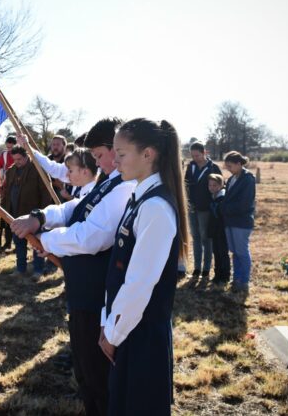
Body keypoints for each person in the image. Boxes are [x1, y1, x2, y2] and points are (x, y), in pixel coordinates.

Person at [11, 118, 135, 416]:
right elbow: (73, 208)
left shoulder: (124, 185)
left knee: (97, 376)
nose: (102, 162)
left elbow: (92, 237)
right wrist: (40, 217)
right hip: (82, 291)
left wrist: (47, 240)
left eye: (102, 155)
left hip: (97, 295)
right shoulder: (107, 180)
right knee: (85, 373)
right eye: (99, 156)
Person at [99, 118, 188, 415]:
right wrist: (108, 321)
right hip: (127, 328)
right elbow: (119, 272)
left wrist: (112, 333)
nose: (114, 161)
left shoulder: (155, 207)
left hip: (141, 335)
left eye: (122, 154)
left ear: (148, 154)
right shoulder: (140, 197)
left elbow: (140, 283)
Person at [0, 145, 52, 278]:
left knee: (37, 244)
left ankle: (38, 270)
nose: (16, 162)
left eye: (19, 159)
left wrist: (43, 214)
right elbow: (6, 191)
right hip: (16, 214)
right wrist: (4, 207)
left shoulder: (38, 170)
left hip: (34, 216)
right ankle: (20, 269)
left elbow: (47, 193)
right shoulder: (11, 171)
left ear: (27, 156)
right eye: (14, 159)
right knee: (19, 243)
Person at [184, 141, 222, 279]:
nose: (195, 158)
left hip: (205, 209)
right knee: (196, 238)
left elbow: (220, 187)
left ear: (204, 152)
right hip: (192, 208)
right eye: (193, 156)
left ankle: (206, 269)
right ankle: (196, 268)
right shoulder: (191, 166)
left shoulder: (213, 168)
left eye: (198, 155)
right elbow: (186, 184)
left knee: (206, 238)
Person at [221, 151, 256, 290]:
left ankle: (244, 281)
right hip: (230, 220)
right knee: (235, 251)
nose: (228, 169)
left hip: (241, 221)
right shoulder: (231, 179)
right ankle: (237, 278)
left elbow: (245, 203)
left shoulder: (248, 179)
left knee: (242, 251)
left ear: (239, 164)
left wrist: (225, 208)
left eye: (230, 166)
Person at [207, 173, 230, 283]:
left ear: (221, 185)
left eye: (215, 185)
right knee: (216, 252)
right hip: (215, 230)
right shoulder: (213, 197)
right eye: (210, 185)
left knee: (222, 252)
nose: (212, 188)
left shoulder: (223, 197)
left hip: (222, 230)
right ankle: (217, 275)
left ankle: (225, 276)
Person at [0, 135, 17, 250]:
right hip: (6, 188)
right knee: (6, 216)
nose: (9, 150)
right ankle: (7, 242)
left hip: (17, 188)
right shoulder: (4, 154)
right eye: (8, 147)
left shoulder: (20, 154)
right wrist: (1, 178)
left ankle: (18, 243)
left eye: (11, 147)